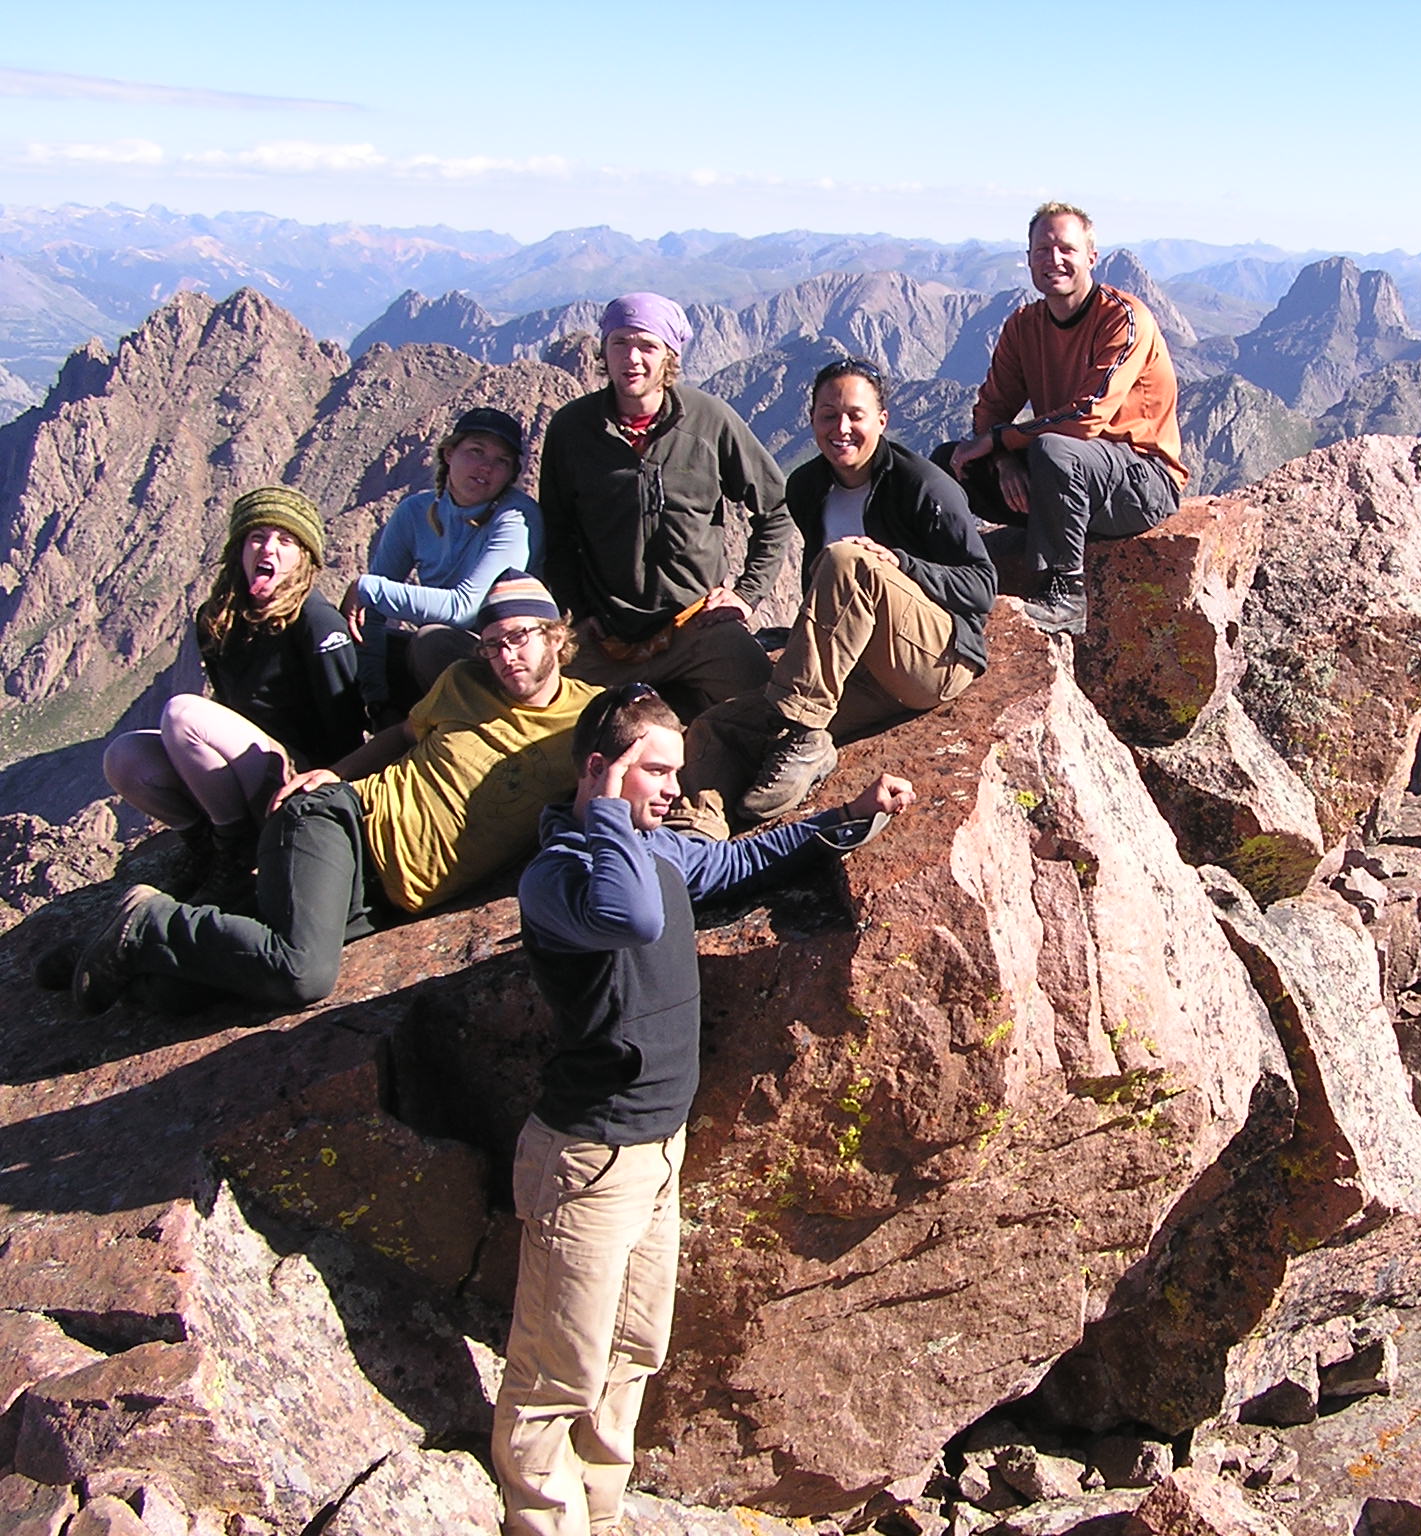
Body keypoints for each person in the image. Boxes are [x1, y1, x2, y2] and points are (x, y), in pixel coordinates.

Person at [493, 682, 913, 1536]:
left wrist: (852, 816)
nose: (675, 790)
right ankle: (541, 1520)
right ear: (601, 772)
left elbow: (734, 864)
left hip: (655, 1150)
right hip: (587, 1156)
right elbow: (633, 917)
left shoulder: (652, 850)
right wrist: (609, 814)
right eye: (655, 772)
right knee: (557, 1369)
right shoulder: (560, 874)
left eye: (677, 771)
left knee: (632, 1351)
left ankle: (600, 1514)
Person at [71, 572, 599, 1014]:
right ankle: (144, 915)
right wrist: (334, 776)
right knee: (302, 973)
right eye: (492, 644)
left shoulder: (591, 716)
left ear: (555, 635)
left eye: (520, 637)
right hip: (345, 826)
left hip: (384, 896)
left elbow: (641, 760)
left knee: (169, 995)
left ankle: (87, 947)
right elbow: (399, 736)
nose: (505, 656)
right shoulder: (464, 680)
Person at [685, 358, 995, 823]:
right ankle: (695, 841)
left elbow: (982, 585)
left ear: (882, 421)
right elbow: (823, 587)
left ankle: (807, 735)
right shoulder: (808, 486)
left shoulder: (922, 486)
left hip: (934, 660)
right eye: (828, 415)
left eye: (856, 414)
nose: (841, 427)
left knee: (848, 559)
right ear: (812, 420)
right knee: (717, 729)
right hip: (856, 673)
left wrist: (902, 564)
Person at [101, 486, 367, 904]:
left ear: (304, 558)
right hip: (246, 770)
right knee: (125, 757)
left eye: (286, 541)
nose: (270, 549)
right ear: (239, 550)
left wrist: (327, 797)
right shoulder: (219, 620)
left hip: (298, 780)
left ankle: (237, 852)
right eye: (257, 537)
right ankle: (205, 846)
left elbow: (345, 724)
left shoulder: (317, 622)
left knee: (182, 714)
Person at [538, 291, 794, 714]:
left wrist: (747, 595)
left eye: (647, 346)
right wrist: (578, 612)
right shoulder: (571, 429)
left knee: (763, 706)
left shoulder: (709, 419)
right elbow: (557, 533)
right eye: (619, 343)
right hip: (607, 633)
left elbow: (775, 508)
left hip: (697, 624)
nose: (631, 358)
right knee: (555, 721)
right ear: (604, 349)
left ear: (669, 356)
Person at [939, 201, 1187, 635]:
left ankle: (1065, 595)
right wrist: (1003, 461)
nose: (1053, 259)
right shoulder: (1024, 326)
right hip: (1062, 481)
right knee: (950, 463)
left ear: (1091, 256)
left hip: (1140, 484)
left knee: (1055, 450)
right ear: (1029, 258)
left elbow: (1087, 419)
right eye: (1042, 249)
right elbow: (991, 408)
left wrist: (1002, 441)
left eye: (1066, 249)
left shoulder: (1124, 320)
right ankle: (949, 579)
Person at [342, 405, 543, 721]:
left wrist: (369, 588)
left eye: (501, 461)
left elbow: (464, 609)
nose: (486, 467)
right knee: (344, 641)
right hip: (449, 657)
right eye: (476, 451)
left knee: (430, 641)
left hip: (507, 656)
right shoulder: (414, 513)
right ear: (449, 453)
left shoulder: (516, 518)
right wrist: (376, 697)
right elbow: (372, 615)